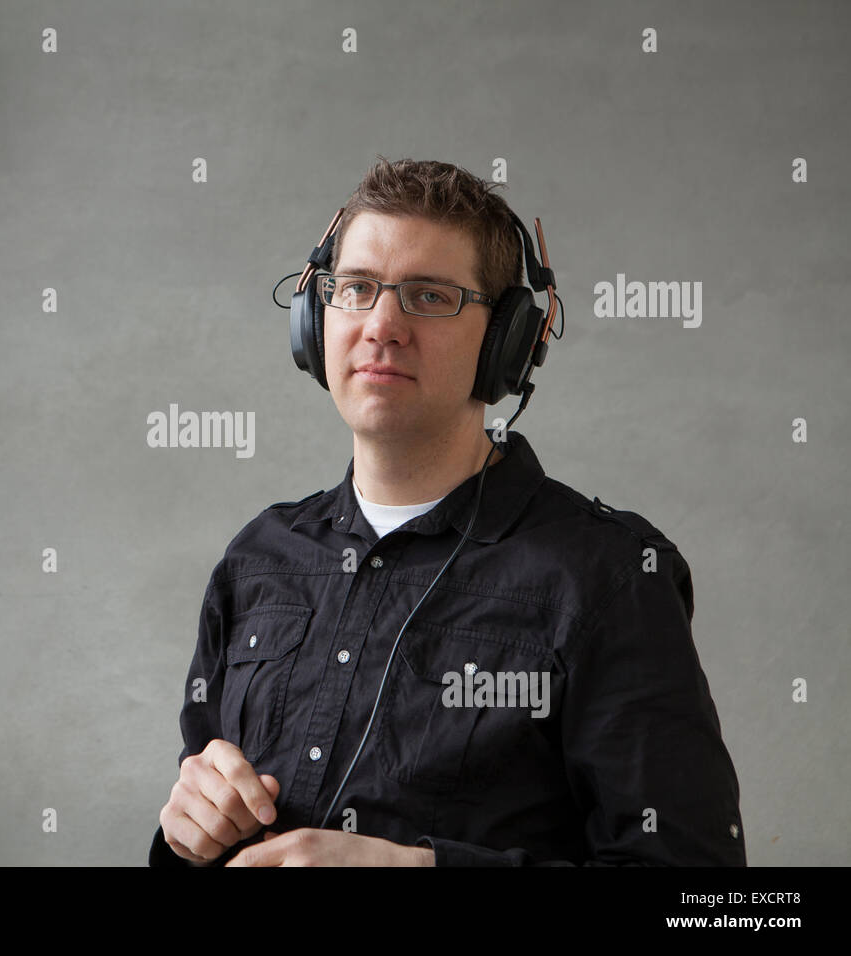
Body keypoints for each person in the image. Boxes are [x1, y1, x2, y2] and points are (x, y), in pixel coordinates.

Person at [149, 157, 745, 866]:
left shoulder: (609, 579)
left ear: (510, 343)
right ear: (316, 319)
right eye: (357, 288)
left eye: (430, 297)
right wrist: (184, 833)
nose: (382, 325)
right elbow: (197, 822)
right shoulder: (258, 561)